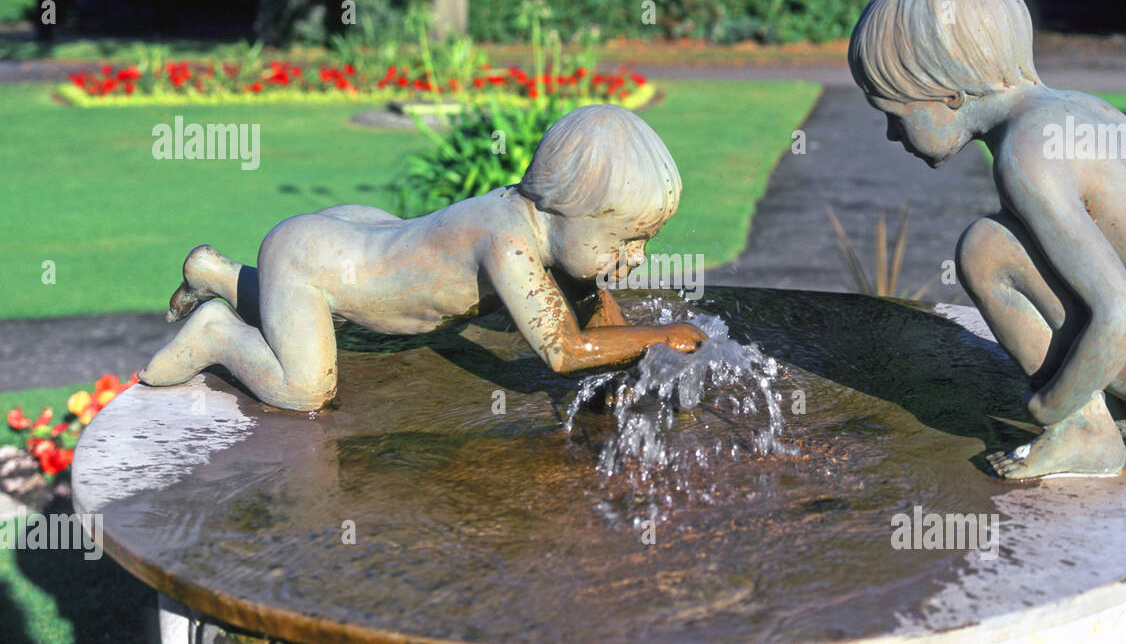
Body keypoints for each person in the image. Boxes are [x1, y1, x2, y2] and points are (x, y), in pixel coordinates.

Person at [848, 0, 1126, 479]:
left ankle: (1086, 432)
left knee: (987, 248)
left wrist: (1052, 405)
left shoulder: (1026, 153)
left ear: (950, 95)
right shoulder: (1070, 108)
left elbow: (1119, 312)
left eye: (895, 116)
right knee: (1024, 244)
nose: (892, 136)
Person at [139, 104, 705, 411]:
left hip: (352, 238)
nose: (636, 256)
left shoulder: (530, 217)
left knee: (314, 310)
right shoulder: (508, 245)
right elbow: (564, 350)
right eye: (626, 239)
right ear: (566, 213)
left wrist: (630, 369)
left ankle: (214, 271)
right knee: (307, 388)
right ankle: (216, 332)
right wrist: (661, 336)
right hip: (312, 260)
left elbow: (594, 303)